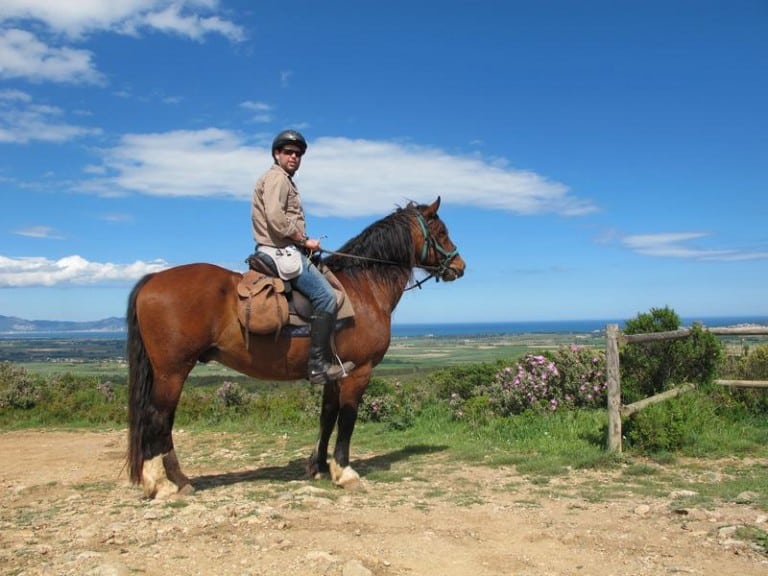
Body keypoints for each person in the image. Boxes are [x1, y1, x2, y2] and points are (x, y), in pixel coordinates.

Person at [251, 129, 354, 384]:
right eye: (288, 152)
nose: (293, 157)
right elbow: (276, 218)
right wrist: (303, 240)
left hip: (282, 249)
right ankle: (318, 366)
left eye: (298, 154)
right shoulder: (278, 179)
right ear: (277, 154)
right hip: (280, 250)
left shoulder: (282, 179)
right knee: (326, 296)